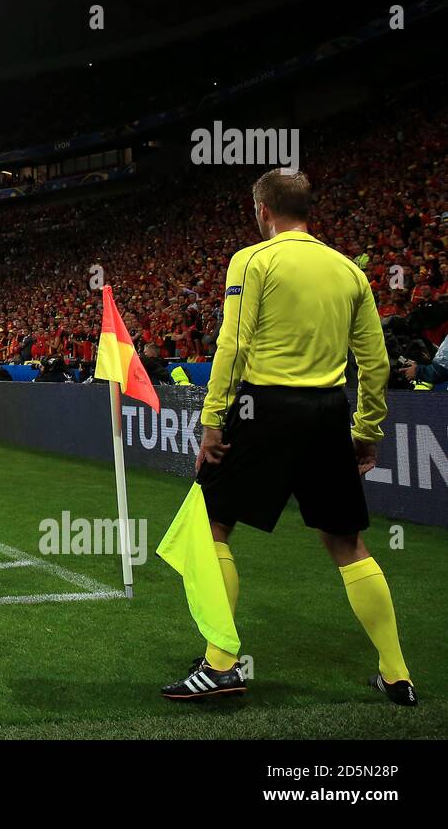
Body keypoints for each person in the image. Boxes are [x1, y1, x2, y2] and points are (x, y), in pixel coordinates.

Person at [161, 170, 414, 706]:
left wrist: (212, 417)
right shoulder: (350, 271)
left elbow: (232, 343)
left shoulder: (253, 260)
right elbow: (376, 363)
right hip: (327, 413)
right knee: (346, 543)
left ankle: (220, 663)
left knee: (211, 524)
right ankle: (396, 673)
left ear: (263, 210)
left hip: (264, 408)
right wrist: (366, 431)